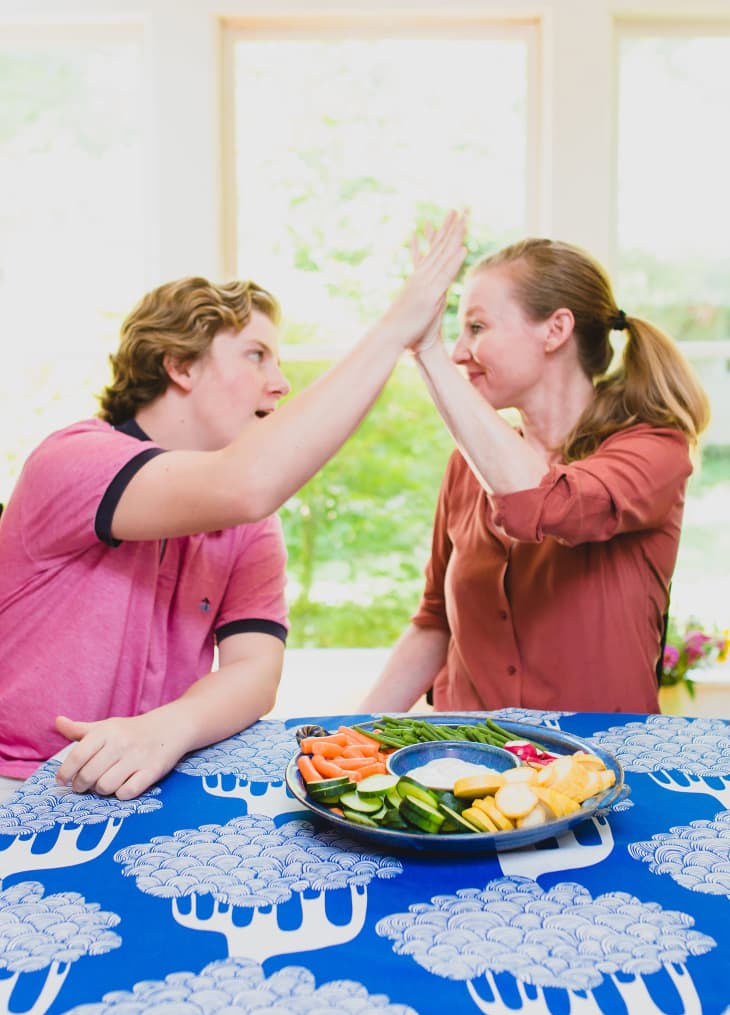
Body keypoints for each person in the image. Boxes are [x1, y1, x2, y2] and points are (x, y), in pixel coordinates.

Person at [0, 212, 467, 801]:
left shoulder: (246, 523)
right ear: (180, 365)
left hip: (151, 781)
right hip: (17, 780)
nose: (279, 383)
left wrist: (166, 728)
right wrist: (395, 329)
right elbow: (249, 481)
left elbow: (253, 670)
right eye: (256, 356)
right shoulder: (74, 461)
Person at [361, 236, 710, 716]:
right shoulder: (466, 465)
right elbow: (435, 624)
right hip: (468, 764)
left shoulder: (653, 451)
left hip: (597, 770)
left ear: (555, 330)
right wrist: (349, 733)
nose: (461, 351)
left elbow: (543, 504)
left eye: (477, 327)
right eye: (457, 333)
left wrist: (428, 352)